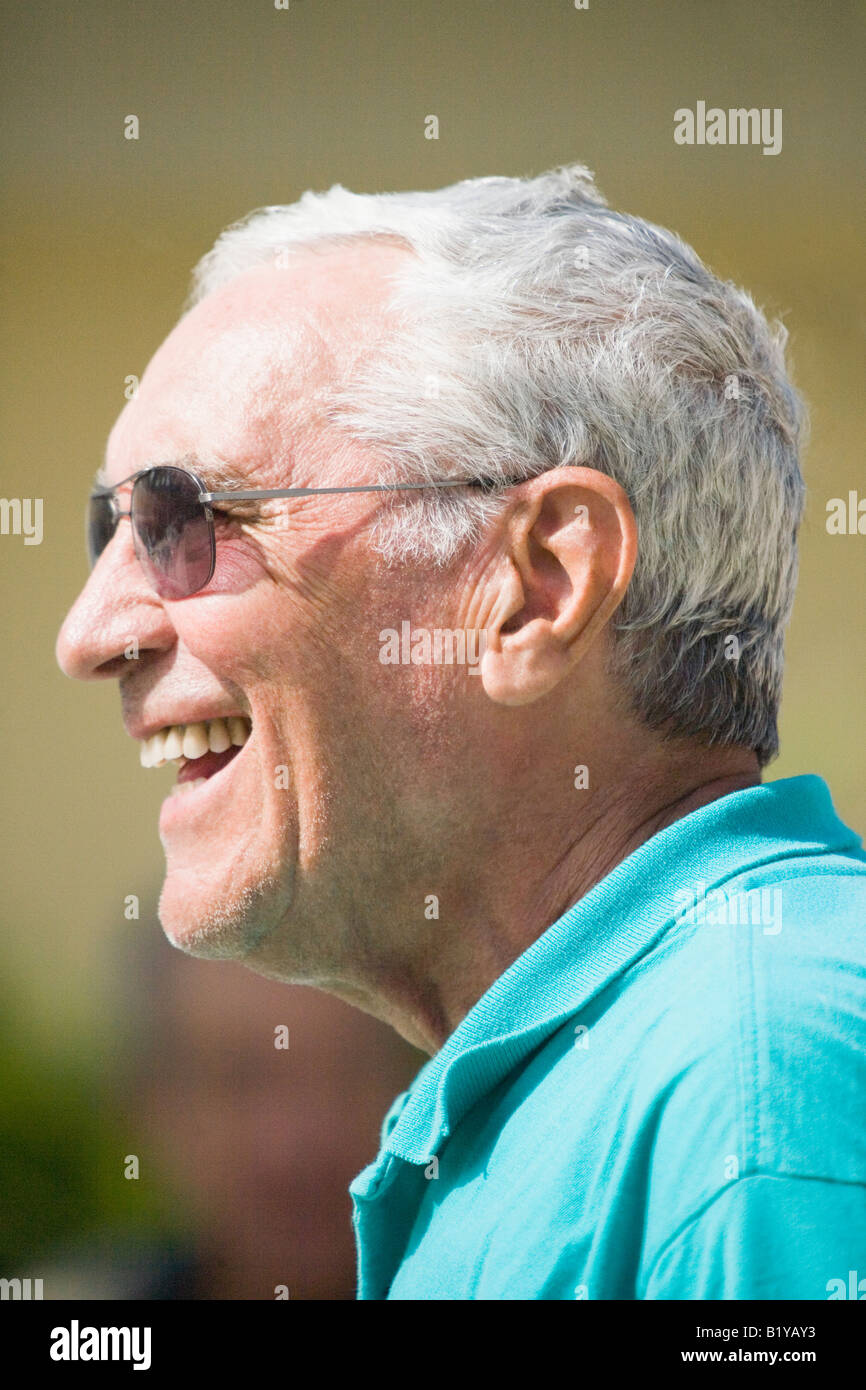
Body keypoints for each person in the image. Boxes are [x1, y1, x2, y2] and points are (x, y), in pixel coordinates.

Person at [56, 165, 866, 1299]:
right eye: (113, 524)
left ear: (537, 585)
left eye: (182, 517)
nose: (90, 632)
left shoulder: (751, 1093)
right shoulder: (632, 1077)